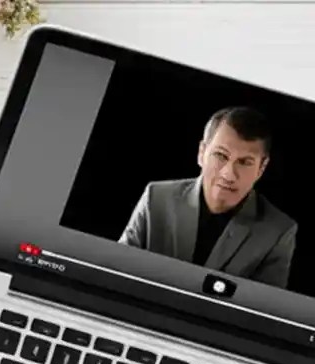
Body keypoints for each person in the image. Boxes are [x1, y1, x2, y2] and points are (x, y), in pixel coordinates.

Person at [119, 106, 296, 288]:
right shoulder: (156, 198)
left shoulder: (279, 232)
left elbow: (262, 310)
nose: (228, 174)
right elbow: (116, 270)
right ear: (202, 153)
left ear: (261, 168)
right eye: (221, 155)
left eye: (244, 162)